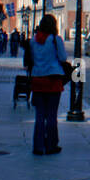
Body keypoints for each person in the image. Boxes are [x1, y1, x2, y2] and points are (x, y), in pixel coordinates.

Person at [28, 14, 67, 155]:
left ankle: (38, 146)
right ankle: (51, 145)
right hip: (53, 79)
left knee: (39, 115)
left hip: (38, 79)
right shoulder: (56, 40)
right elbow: (63, 57)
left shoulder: (33, 41)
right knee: (51, 115)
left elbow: (32, 58)